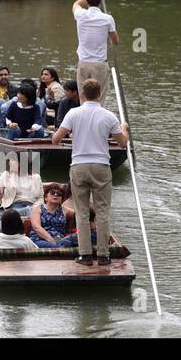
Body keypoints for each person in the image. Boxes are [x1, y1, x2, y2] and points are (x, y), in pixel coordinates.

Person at [51, 77, 127, 265]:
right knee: (102, 213)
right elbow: (122, 143)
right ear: (99, 94)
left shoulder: (73, 114)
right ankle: (103, 255)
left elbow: (55, 140)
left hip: (79, 166)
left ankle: (85, 255)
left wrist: (69, 132)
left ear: (82, 94)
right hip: (101, 166)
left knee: (82, 213)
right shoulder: (109, 116)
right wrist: (124, 128)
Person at [72, 0, 118, 96]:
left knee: (83, 96)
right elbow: (115, 41)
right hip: (99, 63)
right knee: (99, 96)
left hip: (83, 63)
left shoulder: (80, 15)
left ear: (87, 3)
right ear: (100, 4)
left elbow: (76, 3)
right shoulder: (107, 18)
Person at [28, 183, 76, 247]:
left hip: (59, 240)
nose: (56, 194)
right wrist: (52, 240)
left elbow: (81, 215)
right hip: (39, 239)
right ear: (46, 197)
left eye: (59, 194)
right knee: (57, 246)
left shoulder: (65, 210)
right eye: (52, 192)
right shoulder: (37, 209)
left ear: (61, 199)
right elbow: (37, 228)